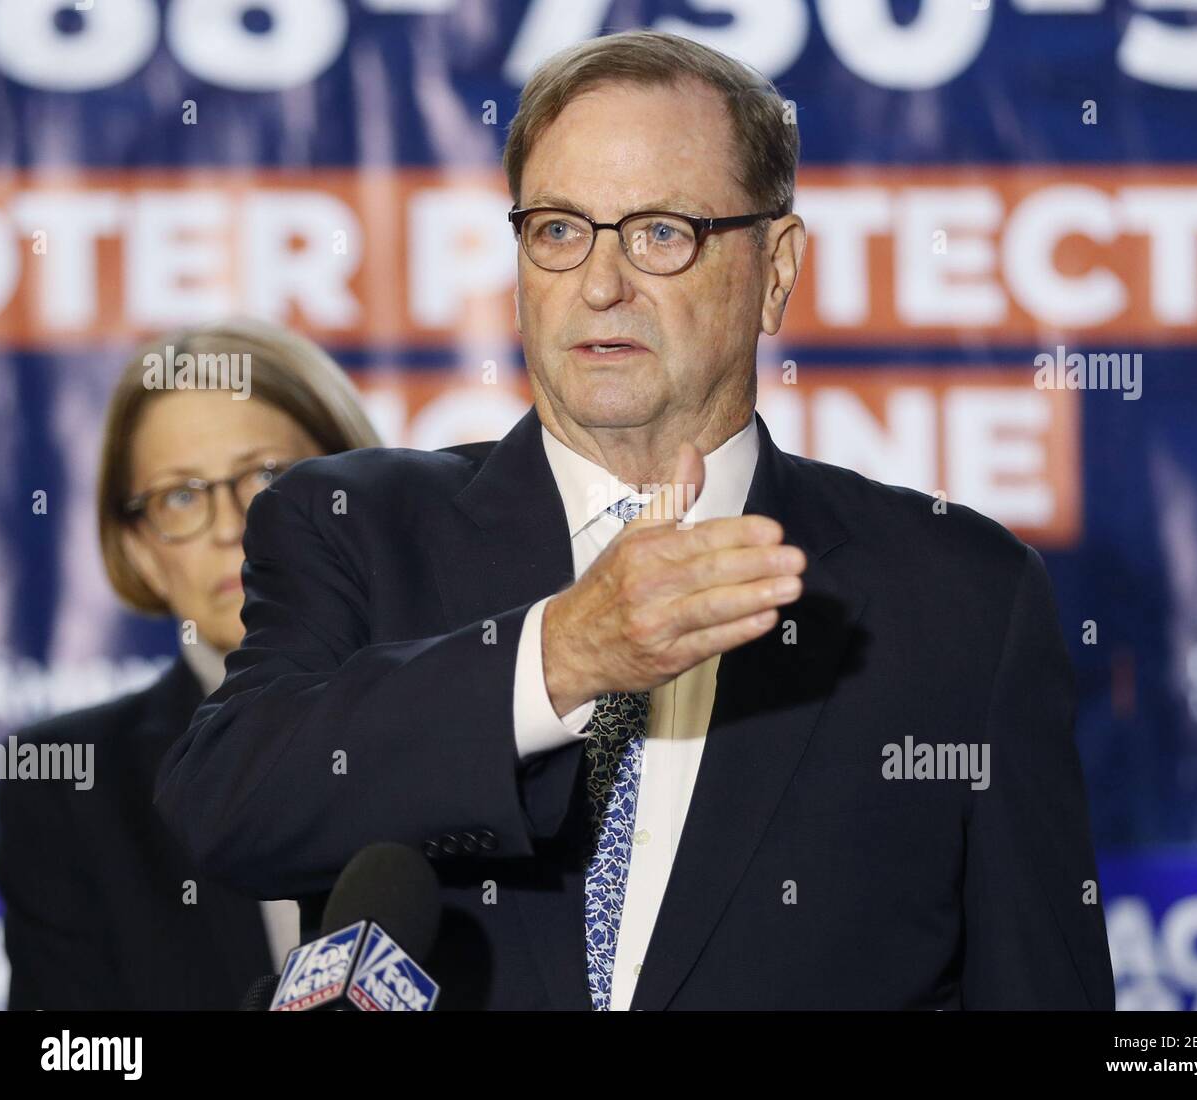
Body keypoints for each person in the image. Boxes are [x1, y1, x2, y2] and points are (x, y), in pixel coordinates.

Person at [156, 32, 1115, 1010]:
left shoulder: (957, 597)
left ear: (776, 267)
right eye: (560, 229)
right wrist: (561, 655)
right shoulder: (354, 527)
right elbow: (226, 804)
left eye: (659, 231)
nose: (599, 282)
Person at [0, 319, 381, 1009]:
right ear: (140, 548)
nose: (232, 525)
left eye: (266, 475)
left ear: (358, 483)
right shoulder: (65, 789)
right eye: (181, 495)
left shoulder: (476, 716)